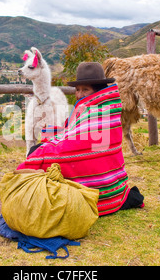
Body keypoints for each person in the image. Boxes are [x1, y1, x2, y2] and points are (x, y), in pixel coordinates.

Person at [17, 62, 144, 216]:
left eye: (85, 89)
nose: (80, 94)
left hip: (100, 189)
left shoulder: (99, 113)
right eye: (77, 90)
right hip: (113, 187)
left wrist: (41, 154)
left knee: (36, 153)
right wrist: (51, 141)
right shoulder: (90, 109)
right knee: (39, 148)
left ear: (97, 91)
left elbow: (76, 147)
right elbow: (73, 134)